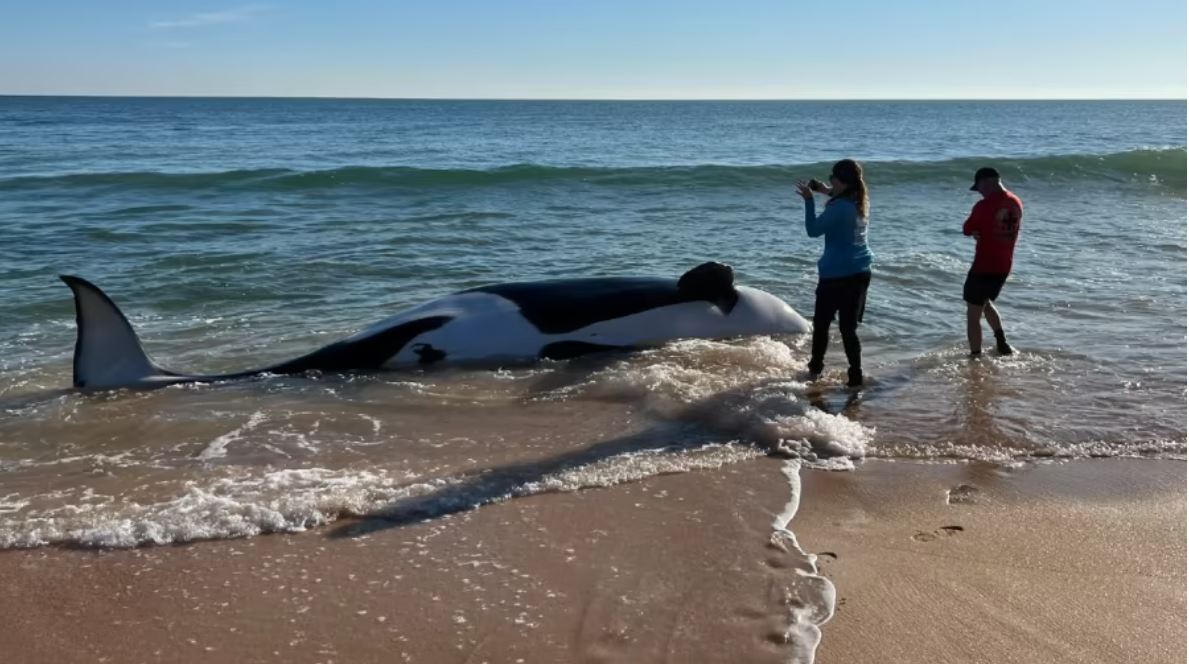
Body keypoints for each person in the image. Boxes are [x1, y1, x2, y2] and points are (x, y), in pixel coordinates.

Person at [795, 159, 873, 387]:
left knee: (821, 325)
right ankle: (855, 376)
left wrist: (809, 201)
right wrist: (822, 190)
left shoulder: (838, 208)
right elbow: (836, 196)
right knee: (848, 329)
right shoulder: (859, 200)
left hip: (836, 275)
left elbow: (813, 231)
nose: (829, 181)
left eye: (832, 178)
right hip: (860, 271)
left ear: (842, 182)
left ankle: (815, 369)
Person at [962, 167, 1021, 357]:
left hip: (983, 266)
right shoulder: (1016, 202)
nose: (979, 192)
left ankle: (975, 356)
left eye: (978, 187)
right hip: (1004, 266)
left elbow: (967, 227)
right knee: (984, 302)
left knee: (973, 314)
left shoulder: (984, 206)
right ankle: (1001, 341)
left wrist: (974, 232)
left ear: (986, 183)